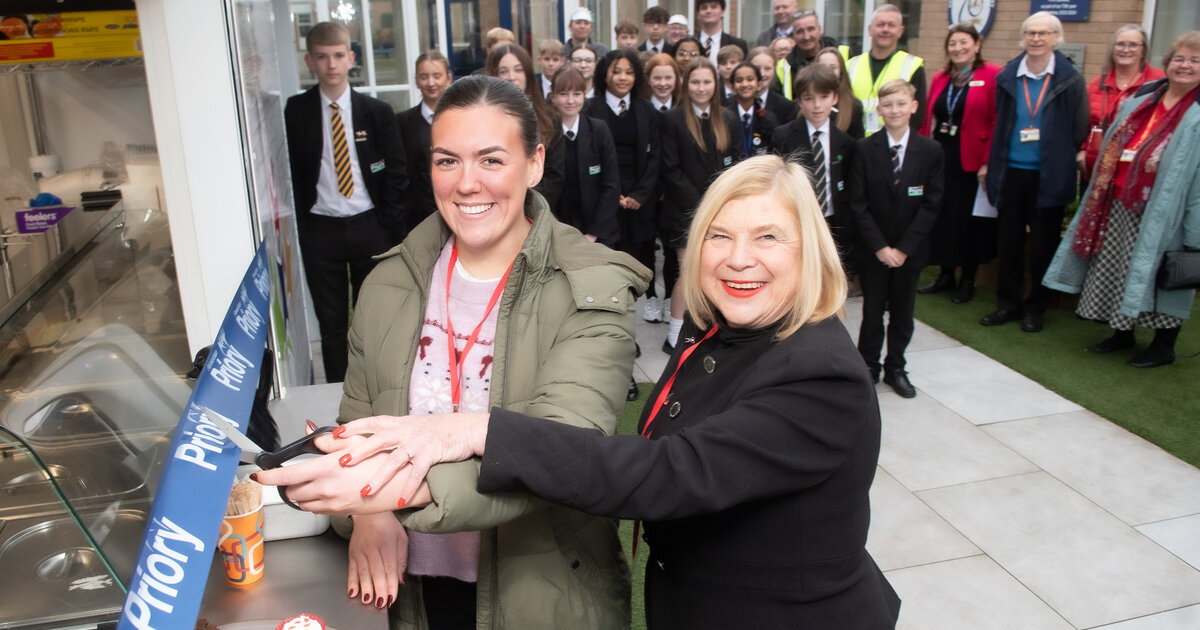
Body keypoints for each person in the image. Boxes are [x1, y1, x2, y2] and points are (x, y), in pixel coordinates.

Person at [259, 154, 903, 630]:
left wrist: (470, 430)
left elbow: (670, 472)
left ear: (810, 253)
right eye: (719, 234)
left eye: (767, 237)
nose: (738, 259)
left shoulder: (820, 374)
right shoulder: (723, 333)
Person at [266, 75, 648, 628]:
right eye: (447, 161)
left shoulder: (591, 285)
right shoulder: (389, 281)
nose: (467, 183)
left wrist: (378, 494)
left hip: (538, 588)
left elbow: (562, 445)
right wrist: (368, 515)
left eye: (491, 160)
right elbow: (358, 426)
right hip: (414, 591)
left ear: (535, 163)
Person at [1044, 31, 1200, 368]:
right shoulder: (1146, 97)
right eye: (1179, 59)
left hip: (1167, 211)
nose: (1185, 66)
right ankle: (1121, 332)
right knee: (1118, 269)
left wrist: (1194, 234)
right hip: (1119, 202)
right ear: (1167, 63)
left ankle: (1163, 346)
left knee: (1164, 275)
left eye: (1195, 60)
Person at [285, 21, 409, 383]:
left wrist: (390, 227)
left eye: (338, 55)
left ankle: (380, 386)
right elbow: (291, 172)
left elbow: (397, 173)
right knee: (332, 323)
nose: (331, 65)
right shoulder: (296, 112)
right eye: (322, 57)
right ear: (310, 61)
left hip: (370, 226)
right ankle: (337, 393)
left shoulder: (376, 111)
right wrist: (305, 229)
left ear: (351, 57)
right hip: (321, 230)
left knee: (377, 318)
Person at [981, 11, 1088, 333]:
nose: (1037, 39)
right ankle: (1008, 305)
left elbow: (1078, 127)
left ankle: (1035, 308)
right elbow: (998, 123)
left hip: (1048, 176)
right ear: (1024, 37)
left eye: (1044, 33)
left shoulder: (1071, 78)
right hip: (1011, 172)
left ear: (1056, 38)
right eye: (1031, 33)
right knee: (1009, 243)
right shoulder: (1007, 77)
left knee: (1042, 246)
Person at [849, 79, 944, 398]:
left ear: (913, 107)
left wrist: (903, 249)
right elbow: (858, 203)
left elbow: (932, 204)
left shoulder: (930, 150)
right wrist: (880, 247)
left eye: (901, 104)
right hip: (874, 250)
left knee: (903, 312)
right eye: (888, 104)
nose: (894, 110)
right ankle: (868, 366)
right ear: (879, 109)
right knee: (872, 310)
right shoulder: (864, 148)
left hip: (909, 251)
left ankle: (896, 367)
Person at [660, 58, 743, 352]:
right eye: (695, 82)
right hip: (686, 212)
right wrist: (702, 208)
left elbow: (738, 163)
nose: (701, 88)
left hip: (723, 211)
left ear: (716, 85)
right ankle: (675, 334)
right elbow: (670, 169)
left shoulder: (729, 119)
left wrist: (723, 203)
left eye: (707, 82)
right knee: (689, 273)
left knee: (717, 271)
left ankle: (710, 329)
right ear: (686, 85)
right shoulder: (673, 119)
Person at [916, 23, 1001, 305]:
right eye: (953, 43)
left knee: (968, 221)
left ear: (977, 44)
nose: (958, 48)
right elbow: (930, 119)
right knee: (944, 218)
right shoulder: (942, 77)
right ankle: (945, 274)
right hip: (943, 156)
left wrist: (987, 162)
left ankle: (967, 280)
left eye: (964, 42)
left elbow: (995, 121)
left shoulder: (991, 76)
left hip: (972, 161)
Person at [590, 49, 662, 337]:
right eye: (616, 71)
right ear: (605, 74)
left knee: (633, 270)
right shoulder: (590, 108)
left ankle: (627, 333)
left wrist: (639, 195)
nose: (623, 77)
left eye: (629, 72)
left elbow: (655, 156)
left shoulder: (647, 110)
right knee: (606, 269)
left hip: (637, 202)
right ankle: (606, 330)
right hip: (603, 198)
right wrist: (615, 194)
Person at [773, 64, 857, 282]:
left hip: (830, 221)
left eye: (824, 96)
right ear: (799, 101)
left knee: (827, 278)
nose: (817, 105)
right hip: (796, 219)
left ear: (835, 98)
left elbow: (848, 186)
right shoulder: (783, 135)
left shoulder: (845, 142)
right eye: (809, 98)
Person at [485, 43, 565, 209]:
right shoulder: (481, 120)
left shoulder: (549, 119)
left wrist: (527, 208)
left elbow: (555, 176)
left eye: (518, 69)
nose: (511, 76)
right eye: (503, 71)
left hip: (536, 210)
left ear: (528, 73)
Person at [1080, 25, 1165, 178]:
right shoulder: (1097, 84)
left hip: (1138, 168)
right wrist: (1083, 150)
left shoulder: (1159, 83)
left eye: (1133, 44)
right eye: (1120, 44)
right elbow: (1085, 123)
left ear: (1143, 50)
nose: (1125, 49)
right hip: (1098, 165)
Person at [549, 67, 620, 247]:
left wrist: (593, 234)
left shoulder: (599, 130)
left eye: (577, 93)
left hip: (597, 231)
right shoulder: (546, 132)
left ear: (585, 95)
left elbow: (611, 185)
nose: (571, 100)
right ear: (553, 96)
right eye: (564, 94)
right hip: (556, 230)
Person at [643, 53, 684, 323]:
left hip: (673, 191)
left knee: (672, 248)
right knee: (646, 244)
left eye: (668, 77)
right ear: (648, 80)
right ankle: (651, 298)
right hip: (647, 189)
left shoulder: (682, 107)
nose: (662, 83)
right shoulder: (643, 108)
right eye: (657, 77)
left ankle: (671, 294)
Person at [845, 4, 926, 135]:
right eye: (880, 24)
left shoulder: (913, 65)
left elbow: (918, 116)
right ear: (870, 29)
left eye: (891, 25)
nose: (885, 29)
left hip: (892, 146)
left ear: (900, 31)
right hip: (855, 145)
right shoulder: (850, 65)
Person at [397, 50, 452, 233]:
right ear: (416, 80)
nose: (431, 83)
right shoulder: (401, 123)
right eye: (424, 76)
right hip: (416, 219)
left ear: (448, 78)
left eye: (437, 76)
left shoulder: (462, 120)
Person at [776, 9, 839, 99]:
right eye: (800, 31)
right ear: (793, 35)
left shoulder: (841, 54)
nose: (806, 36)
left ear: (820, 30)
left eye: (811, 29)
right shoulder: (783, 67)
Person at [817, 46, 866, 139]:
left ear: (841, 72)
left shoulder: (853, 106)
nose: (827, 72)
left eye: (833, 67)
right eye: (822, 67)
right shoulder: (800, 105)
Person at [731, 62, 778, 156]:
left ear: (759, 84)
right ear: (732, 87)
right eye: (739, 80)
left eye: (750, 79)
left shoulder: (768, 119)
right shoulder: (725, 117)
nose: (744, 84)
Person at [749, 46, 796, 123]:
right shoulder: (732, 104)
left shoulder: (786, 106)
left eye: (767, 68)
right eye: (756, 68)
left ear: (774, 69)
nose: (762, 74)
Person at [696, 0, 748, 69]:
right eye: (704, 7)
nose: (708, 11)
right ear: (698, 14)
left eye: (713, 7)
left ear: (723, 12)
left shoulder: (738, 44)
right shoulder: (691, 43)